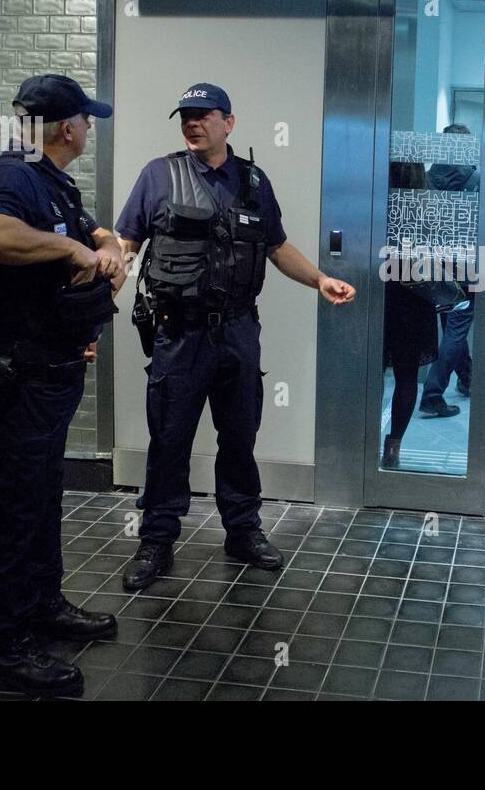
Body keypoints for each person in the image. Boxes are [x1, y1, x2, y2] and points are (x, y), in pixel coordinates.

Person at [116, 83, 355, 590]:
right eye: (186, 116)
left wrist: (319, 280)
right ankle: (156, 539)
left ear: (230, 121)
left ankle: (243, 530)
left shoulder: (253, 180)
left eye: (204, 115)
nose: (193, 123)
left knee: (240, 437)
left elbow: (276, 245)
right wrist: (96, 293)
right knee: (169, 439)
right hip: (178, 337)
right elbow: (125, 244)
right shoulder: (158, 175)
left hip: (239, 333)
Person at [0, 74, 126, 698]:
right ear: (66, 127)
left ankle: (44, 604)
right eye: (87, 121)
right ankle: (8, 645)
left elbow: (90, 232)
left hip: (52, 368)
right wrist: (73, 251)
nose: (89, 129)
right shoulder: (11, 175)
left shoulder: (51, 181)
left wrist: (103, 243)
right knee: (16, 506)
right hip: (20, 376)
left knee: (43, 497)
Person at [382, 161, 442, 467]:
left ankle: (361, 438)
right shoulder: (428, 212)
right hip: (414, 302)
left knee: (369, 374)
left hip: (379, 300)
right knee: (406, 379)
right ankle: (393, 446)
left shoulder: (378, 204)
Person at [419, 123, 477, 418]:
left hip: (434, 262)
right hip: (467, 262)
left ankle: (468, 378)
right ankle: (432, 393)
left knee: (452, 326)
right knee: (457, 326)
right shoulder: (476, 178)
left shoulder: (427, 177)